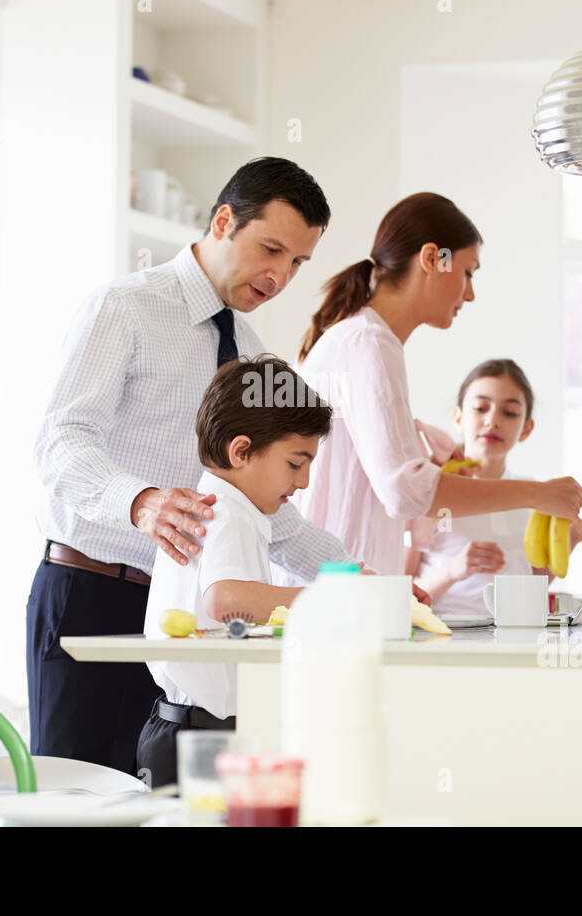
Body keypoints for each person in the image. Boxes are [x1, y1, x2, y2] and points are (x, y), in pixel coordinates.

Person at [29, 158, 356, 776]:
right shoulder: (123, 307)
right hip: (90, 592)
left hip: (185, 626)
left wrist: (356, 578)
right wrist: (140, 502)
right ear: (224, 220)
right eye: (271, 249)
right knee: (74, 798)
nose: (280, 274)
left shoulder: (255, 355)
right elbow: (60, 440)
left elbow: (271, 510)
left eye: (297, 263)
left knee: (165, 805)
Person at [283, 192, 582, 581]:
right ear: (432, 259)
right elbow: (406, 491)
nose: (470, 292)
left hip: (344, 590)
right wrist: (536, 494)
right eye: (468, 272)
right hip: (339, 597)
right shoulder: (369, 343)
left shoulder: (362, 339)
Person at [137, 355, 331, 786]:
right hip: (202, 736)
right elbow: (227, 599)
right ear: (241, 451)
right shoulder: (229, 512)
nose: (303, 482)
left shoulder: (224, 506)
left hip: (184, 728)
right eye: (296, 463)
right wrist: (327, 600)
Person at [405, 358, 582, 617]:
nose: (492, 421)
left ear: (526, 428)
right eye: (480, 408)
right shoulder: (432, 490)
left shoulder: (537, 497)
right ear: (458, 418)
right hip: (445, 638)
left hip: (511, 637)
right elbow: (400, 594)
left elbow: (532, 580)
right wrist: (453, 570)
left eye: (509, 413)